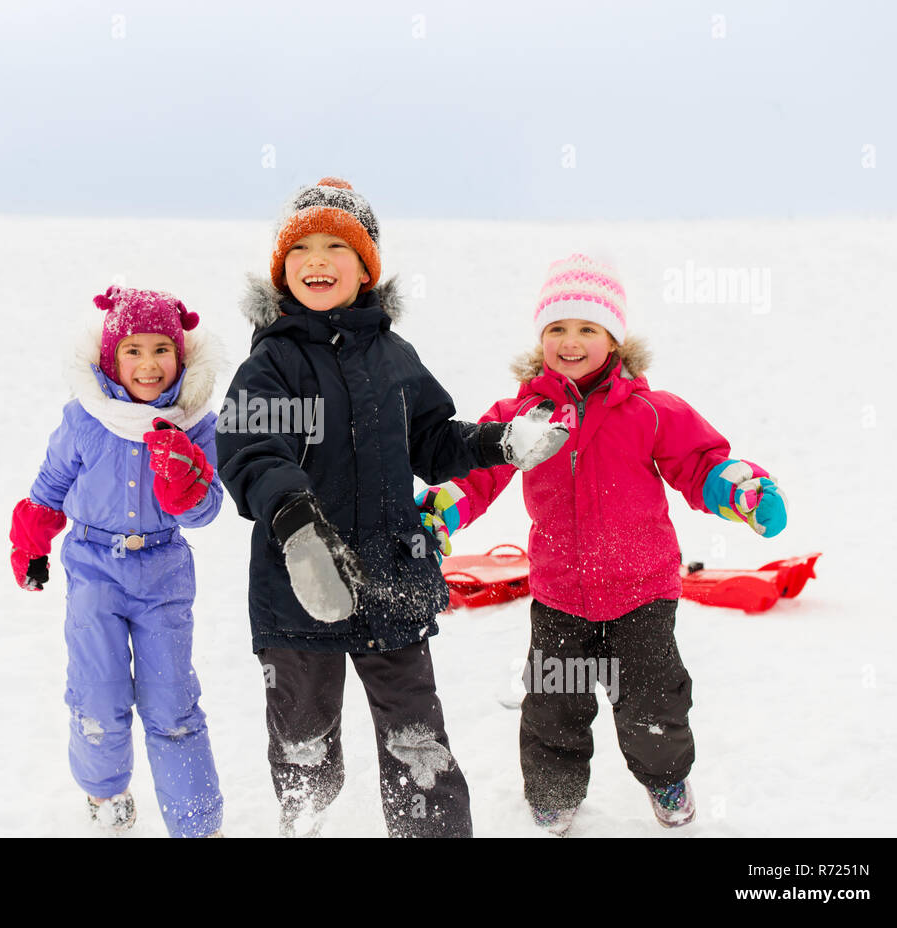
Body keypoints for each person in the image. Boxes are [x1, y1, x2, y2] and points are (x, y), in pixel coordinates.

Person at [216, 177, 569, 837]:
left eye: (336, 247)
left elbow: (436, 442)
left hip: (391, 582)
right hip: (298, 593)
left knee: (417, 742)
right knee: (305, 739)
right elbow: (251, 451)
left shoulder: (394, 357)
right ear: (281, 269)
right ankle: (308, 815)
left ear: (367, 267)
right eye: (301, 250)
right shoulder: (272, 365)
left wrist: (501, 442)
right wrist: (296, 523)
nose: (317, 261)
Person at [417, 253, 788, 835]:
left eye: (587, 328)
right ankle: (554, 791)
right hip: (560, 590)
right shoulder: (524, 416)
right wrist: (442, 511)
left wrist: (740, 493)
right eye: (557, 329)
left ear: (613, 338)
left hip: (641, 589)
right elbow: (480, 470)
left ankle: (666, 777)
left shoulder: (650, 412)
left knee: (651, 702)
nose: (571, 341)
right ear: (541, 337)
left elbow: (701, 464)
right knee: (553, 704)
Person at [9, 284, 225, 837]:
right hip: (93, 566)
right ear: (110, 357)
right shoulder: (86, 417)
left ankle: (198, 827)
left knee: (172, 705)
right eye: (133, 350)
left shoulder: (195, 422)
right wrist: (32, 541)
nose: (148, 365)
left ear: (180, 356)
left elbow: (206, 511)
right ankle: (105, 795)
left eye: (161, 350)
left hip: (163, 570)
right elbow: (52, 483)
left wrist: (187, 487)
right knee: (98, 695)